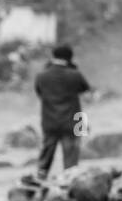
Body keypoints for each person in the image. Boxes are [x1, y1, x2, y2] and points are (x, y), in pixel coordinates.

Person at [34, 44, 91, 179]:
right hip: (75, 121)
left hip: (49, 120)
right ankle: (69, 181)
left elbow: (40, 94)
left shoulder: (41, 76)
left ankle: (40, 177)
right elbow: (87, 94)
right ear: (70, 58)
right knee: (71, 161)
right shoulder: (75, 74)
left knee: (46, 152)